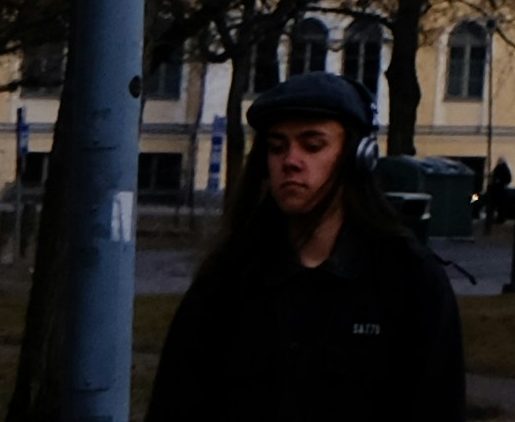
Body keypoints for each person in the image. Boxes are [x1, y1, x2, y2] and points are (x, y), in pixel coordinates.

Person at [146, 73, 465, 422]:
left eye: (312, 146)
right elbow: (175, 402)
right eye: (277, 146)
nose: (291, 161)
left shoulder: (408, 281)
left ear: (358, 156)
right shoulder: (229, 279)